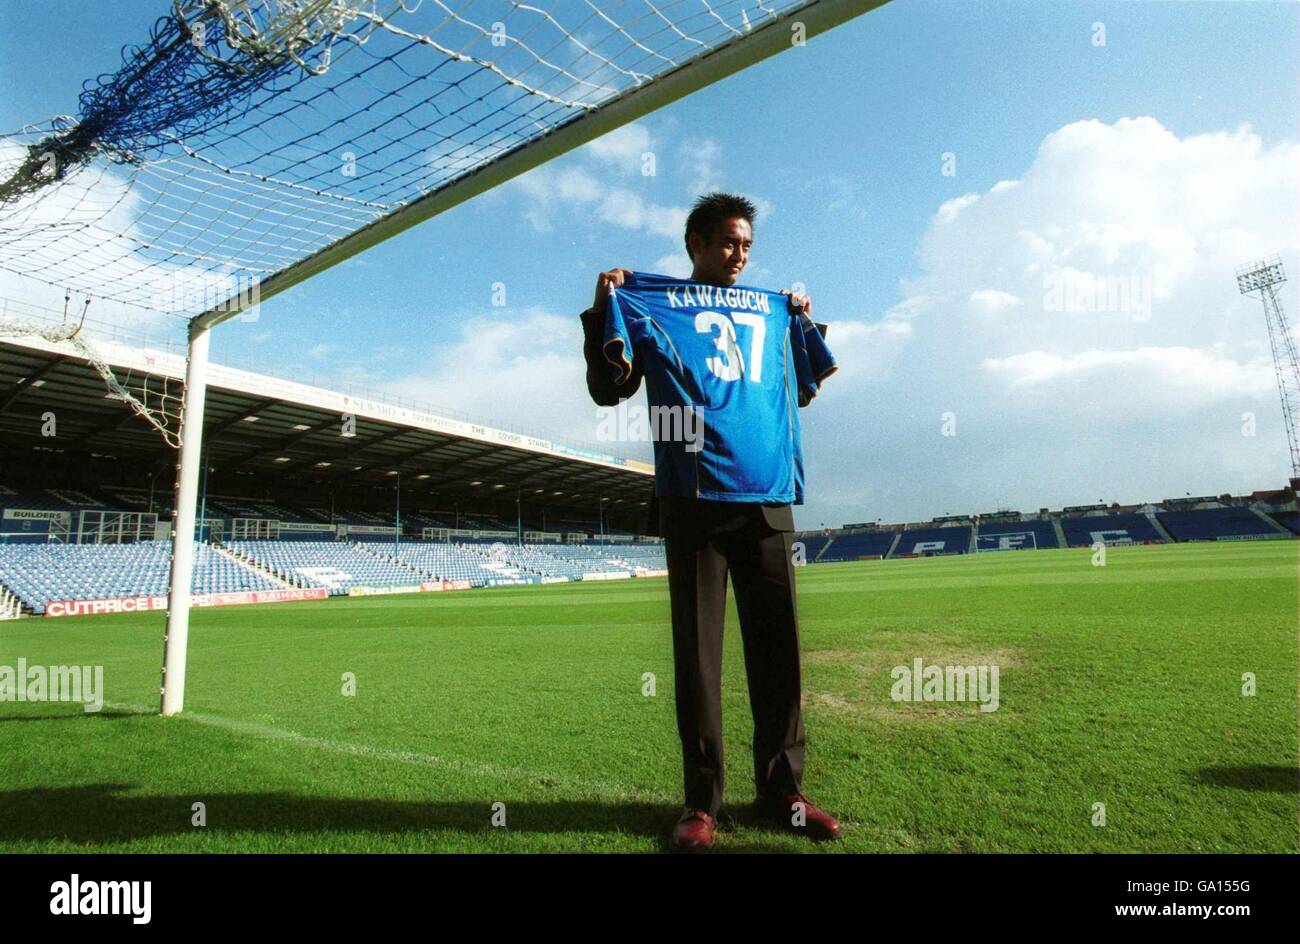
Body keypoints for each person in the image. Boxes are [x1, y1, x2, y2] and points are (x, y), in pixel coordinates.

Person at [578, 192, 842, 851]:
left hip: (767, 501)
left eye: (747, 245)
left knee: (778, 655)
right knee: (699, 663)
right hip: (693, 504)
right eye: (727, 243)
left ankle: (784, 793)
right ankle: (702, 805)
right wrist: (602, 309)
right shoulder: (654, 302)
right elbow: (611, 388)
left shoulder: (771, 312)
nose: (739, 255)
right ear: (695, 244)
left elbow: (803, 386)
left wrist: (801, 319)